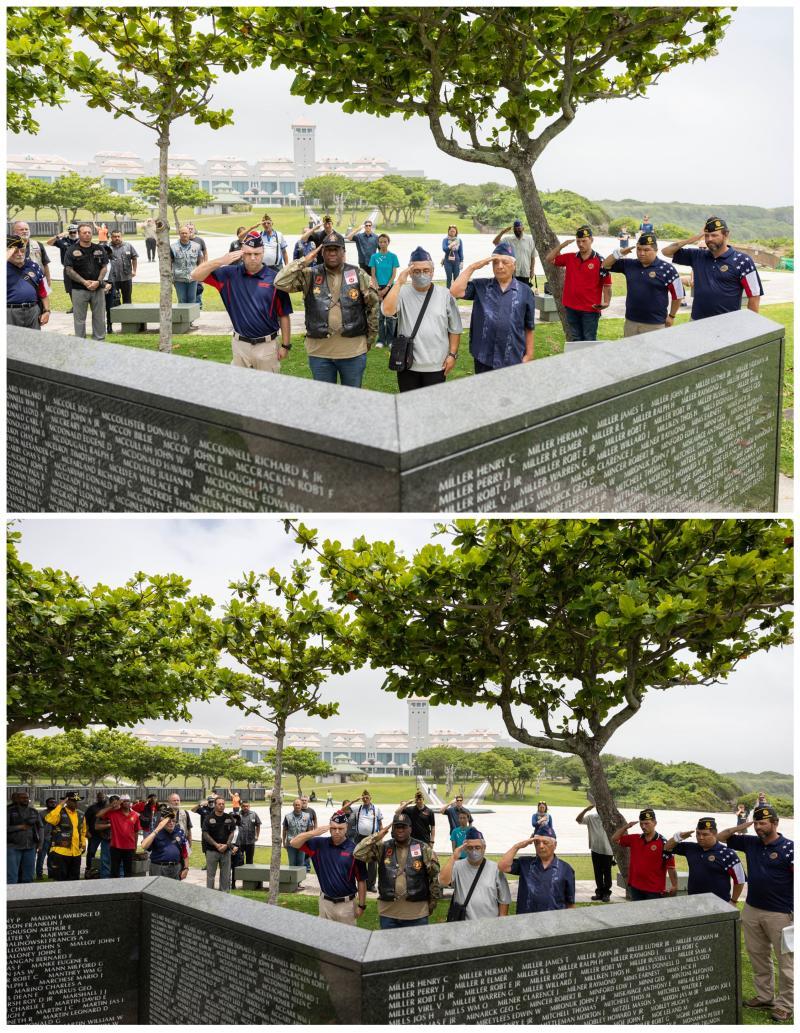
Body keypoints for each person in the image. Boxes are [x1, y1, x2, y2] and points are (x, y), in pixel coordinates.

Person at [273, 232, 379, 388]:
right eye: (328, 249)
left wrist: (369, 339)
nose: (332, 253)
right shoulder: (310, 274)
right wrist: (304, 260)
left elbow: (374, 306)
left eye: (337, 249)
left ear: (343, 252)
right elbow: (279, 282)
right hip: (319, 353)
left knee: (352, 401)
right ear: (321, 252)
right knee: (324, 402)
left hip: (353, 352)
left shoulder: (358, 274)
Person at [718, 805, 794, 1022]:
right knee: (758, 956)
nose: (759, 827)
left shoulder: (789, 848)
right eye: (757, 823)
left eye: (763, 823)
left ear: (775, 823)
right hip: (752, 909)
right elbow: (723, 836)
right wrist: (745, 825)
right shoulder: (750, 842)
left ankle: (785, 1005)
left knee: (786, 963)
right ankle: (765, 996)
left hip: (780, 914)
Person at [192, 231, 293, 373]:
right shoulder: (228, 275)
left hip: (267, 347)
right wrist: (221, 261)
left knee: (268, 391)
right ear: (241, 253)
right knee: (240, 391)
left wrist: (285, 345)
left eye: (257, 254)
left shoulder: (275, 279)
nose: (253, 258)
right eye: (248, 253)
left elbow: (284, 315)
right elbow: (195, 275)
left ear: (263, 253)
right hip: (240, 347)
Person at [382, 247, 463, 391]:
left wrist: (452, 354)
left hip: (437, 364)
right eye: (416, 271)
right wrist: (399, 282)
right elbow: (387, 311)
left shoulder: (445, 295)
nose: (422, 274)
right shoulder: (401, 293)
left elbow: (455, 328)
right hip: (407, 363)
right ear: (410, 273)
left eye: (426, 270)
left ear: (432, 272)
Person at [450, 242, 536, 372]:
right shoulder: (481, 286)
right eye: (495, 262)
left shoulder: (525, 291)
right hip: (483, 357)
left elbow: (529, 326)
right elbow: (454, 291)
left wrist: (529, 355)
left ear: (514, 265)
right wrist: (472, 267)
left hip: (512, 357)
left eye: (505, 262)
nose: (499, 266)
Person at [662, 217, 764, 320]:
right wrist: (691, 239)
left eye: (714, 235)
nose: (709, 239)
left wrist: (751, 324)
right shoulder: (697, 256)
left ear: (726, 235)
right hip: (697, 322)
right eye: (706, 235)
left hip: (728, 324)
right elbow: (666, 252)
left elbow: (754, 296)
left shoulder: (742, 260)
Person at [354, 813, 441, 929]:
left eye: (403, 827)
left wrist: (433, 902)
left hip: (417, 914)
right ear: (392, 829)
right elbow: (357, 853)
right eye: (397, 827)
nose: (400, 830)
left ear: (410, 829)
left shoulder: (423, 848)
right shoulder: (383, 848)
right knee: (389, 947)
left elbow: (435, 876)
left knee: (417, 947)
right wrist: (377, 836)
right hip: (388, 914)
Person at [290, 810, 368, 925]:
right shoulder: (318, 844)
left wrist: (361, 905)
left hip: (346, 906)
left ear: (346, 828)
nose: (337, 831)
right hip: (325, 904)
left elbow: (361, 880)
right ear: (329, 828)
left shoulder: (355, 850)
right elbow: (293, 843)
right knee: (324, 940)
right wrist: (313, 833)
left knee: (346, 940)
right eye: (333, 828)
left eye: (340, 828)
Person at [602, 231, 684, 336]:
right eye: (639, 249)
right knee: (630, 351)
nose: (641, 253)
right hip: (631, 322)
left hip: (655, 324)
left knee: (653, 352)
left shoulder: (667, 269)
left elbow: (678, 295)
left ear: (655, 250)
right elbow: (605, 264)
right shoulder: (630, 264)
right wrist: (620, 253)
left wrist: (672, 316)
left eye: (646, 250)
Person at [544, 226, 612, 342]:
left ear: (591, 240)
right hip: (571, 307)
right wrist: (562, 246)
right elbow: (549, 259)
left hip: (590, 309)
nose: (580, 244)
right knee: (575, 339)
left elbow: (607, 285)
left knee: (589, 340)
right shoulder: (570, 257)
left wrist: (606, 302)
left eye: (584, 241)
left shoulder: (601, 261)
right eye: (578, 241)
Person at [664, 817, 746, 903]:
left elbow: (740, 880)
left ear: (715, 833)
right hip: (694, 902)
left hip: (719, 904)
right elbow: (667, 847)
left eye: (705, 834)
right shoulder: (691, 848)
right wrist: (679, 837)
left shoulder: (727, 853)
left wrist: (733, 901)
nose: (700, 837)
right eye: (698, 834)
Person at [439, 827, 511, 919]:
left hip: (489, 924)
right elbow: (442, 882)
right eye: (470, 848)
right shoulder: (457, 866)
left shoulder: (495, 869)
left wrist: (501, 921)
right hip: (464, 924)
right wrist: (454, 857)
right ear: (465, 849)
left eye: (477, 847)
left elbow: (504, 899)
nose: (474, 851)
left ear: (484, 848)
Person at [499, 830, 576, 913]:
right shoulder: (525, 863)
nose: (541, 846)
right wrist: (517, 846)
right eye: (537, 843)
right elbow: (502, 866)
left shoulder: (565, 868)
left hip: (554, 921)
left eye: (545, 842)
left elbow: (570, 902)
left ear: (555, 845)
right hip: (526, 921)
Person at [611, 808, 678, 900]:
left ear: (654, 823)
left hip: (654, 890)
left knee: (652, 914)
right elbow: (615, 839)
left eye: (646, 823)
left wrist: (674, 885)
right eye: (641, 824)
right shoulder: (635, 838)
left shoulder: (664, 843)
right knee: (638, 913)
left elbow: (671, 867)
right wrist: (626, 827)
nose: (643, 826)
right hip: (636, 887)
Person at [64, 222, 109, 340]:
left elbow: (104, 267)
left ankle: (99, 342)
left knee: (99, 317)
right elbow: (69, 270)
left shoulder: (99, 248)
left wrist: (99, 282)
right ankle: (80, 342)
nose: (87, 234)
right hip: (79, 289)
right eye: (84, 232)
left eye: (89, 232)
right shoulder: (71, 250)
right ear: (79, 234)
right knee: (79, 318)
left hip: (97, 289)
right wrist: (84, 282)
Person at [7, 236, 50, 330]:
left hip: (33, 311)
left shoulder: (34, 266)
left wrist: (47, 311)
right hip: (10, 312)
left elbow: (44, 291)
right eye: (15, 251)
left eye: (22, 250)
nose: (19, 254)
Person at [575, 801, 614, 902]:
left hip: (608, 850)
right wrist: (586, 810)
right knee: (597, 873)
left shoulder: (611, 819)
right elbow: (578, 820)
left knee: (607, 873)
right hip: (595, 849)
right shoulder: (591, 817)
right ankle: (599, 893)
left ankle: (606, 893)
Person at [96, 795, 141, 878]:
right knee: (114, 871)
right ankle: (115, 889)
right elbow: (98, 815)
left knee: (128, 872)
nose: (126, 803)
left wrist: (135, 847)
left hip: (129, 847)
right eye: (124, 801)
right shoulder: (113, 813)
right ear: (120, 802)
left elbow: (136, 832)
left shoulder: (135, 815)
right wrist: (112, 805)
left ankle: (127, 889)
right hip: (116, 847)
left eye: (128, 801)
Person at [45, 793, 87, 882]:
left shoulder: (81, 814)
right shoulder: (59, 812)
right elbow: (49, 819)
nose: (76, 803)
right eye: (73, 801)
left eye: (77, 801)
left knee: (74, 879)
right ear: (67, 801)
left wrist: (83, 843)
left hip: (76, 853)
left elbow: (82, 831)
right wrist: (60, 805)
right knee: (60, 879)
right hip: (60, 852)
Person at [368, 233, 400, 347]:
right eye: (380, 242)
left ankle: (390, 340)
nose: (382, 243)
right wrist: (378, 290)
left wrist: (386, 288)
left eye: (384, 241)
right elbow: (373, 275)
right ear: (378, 243)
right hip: (378, 288)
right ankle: (381, 340)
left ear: (388, 242)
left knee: (390, 315)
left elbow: (393, 275)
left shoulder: (393, 257)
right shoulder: (374, 257)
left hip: (390, 288)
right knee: (380, 316)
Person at [350, 790, 384, 892]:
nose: (365, 799)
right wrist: (355, 800)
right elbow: (346, 808)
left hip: (372, 838)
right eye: (363, 798)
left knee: (372, 861)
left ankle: (371, 885)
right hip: (359, 837)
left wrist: (381, 837)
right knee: (358, 860)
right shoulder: (358, 808)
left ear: (370, 798)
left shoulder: (376, 809)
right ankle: (360, 883)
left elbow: (381, 824)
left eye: (367, 797)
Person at [202, 796, 238, 892]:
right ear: (215, 805)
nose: (221, 806)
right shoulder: (208, 818)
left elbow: (232, 832)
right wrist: (216, 845)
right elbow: (205, 833)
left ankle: (224, 894)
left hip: (226, 851)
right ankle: (210, 894)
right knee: (210, 875)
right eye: (219, 804)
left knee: (225, 875)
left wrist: (227, 845)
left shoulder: (229, 817)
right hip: (212, 850)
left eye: (223, 804)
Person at [141, 810, 190, 880]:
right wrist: (157, 829)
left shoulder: (179, 832)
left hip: (176, 868)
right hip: (158, 868)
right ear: (162, 822)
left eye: (173, 821)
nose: (171, 823)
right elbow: (144, 845)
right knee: (158, 890)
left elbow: (185, 852)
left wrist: (186, 868)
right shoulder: (156, 833)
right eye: (168, 821)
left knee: (174, 890)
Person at [8, 790, 43, 885]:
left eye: (27, 798)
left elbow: (41, 828)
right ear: (17, 799)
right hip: (12, 847)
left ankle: (28, 897)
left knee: (28, 876)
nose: (25, 800)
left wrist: (40, 844)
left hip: (30, 847)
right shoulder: (9, 811)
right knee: (12, 876)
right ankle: (11, 898)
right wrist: (19, 827)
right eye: (23, 798)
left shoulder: (33, 811)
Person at [105, 230, 138, 331]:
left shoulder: (128, 246)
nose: (117, 238)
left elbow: (134, 258)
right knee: (111, 302)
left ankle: (128, 322)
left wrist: (134, 270)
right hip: (112, 279)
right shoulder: (107, 247)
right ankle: (110, 325)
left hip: (126, 277)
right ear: (111, 237)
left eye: (118, 236)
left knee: (127, 300)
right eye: (114, 236)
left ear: (121, 236)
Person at [46, 224, 80, 312]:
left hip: (81, 267)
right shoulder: (63, 241)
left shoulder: (82, 240)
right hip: (68, 267)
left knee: (81, 287)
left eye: (75, 232)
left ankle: (81, 306)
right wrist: (58, 236)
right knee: (70, 287)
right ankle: (75, 306)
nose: (73, 234)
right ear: (68, 232)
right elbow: (49, 243)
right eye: (71, 232)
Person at [493, 219, 536, 285]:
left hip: (525, 272)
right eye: (515, 229)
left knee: (524, 293)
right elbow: (495, 242)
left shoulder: (529, 240)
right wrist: (502, 232)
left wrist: (532, 270)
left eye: (519, 228)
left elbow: (532, 257)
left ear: (523, 228)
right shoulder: (508, 240)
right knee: (512, 293)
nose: (517, 230)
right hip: (512, 273)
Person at [11, 220, 51, 288]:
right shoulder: (8, 246)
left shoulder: (38, 244)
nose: (25, 231)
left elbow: (45, 264)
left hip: (39, 281)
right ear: (14, 232)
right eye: (21, 229)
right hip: (17, 282)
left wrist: (48, 280)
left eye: (26, 229)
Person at [170, 225, 203, 305]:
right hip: (179, 279)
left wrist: (200, 275)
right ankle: (183, 318)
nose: (184, 235)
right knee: (182, 301)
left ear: (189, 234)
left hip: (193, 279)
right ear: (179, 234)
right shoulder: (173, 247)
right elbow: (170, 263)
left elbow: (200, 261)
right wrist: (171, 277)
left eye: (186, 233)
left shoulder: (196, 246)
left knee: (192, 300)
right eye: (182, 233)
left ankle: (191, 318)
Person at [283, 798, 315, 873]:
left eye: (299, 805)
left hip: (302, 843)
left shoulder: (307, 816)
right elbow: (284, 830)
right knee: (292, 863)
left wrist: (309, 841)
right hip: (291, 843)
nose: (297, 806)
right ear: (293, 805)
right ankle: (292, 882)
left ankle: (299, 882)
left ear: (301, 806)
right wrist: (284, 842)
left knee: (301, 863)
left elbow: (310, 829)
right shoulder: (288, 816)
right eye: (296, 805)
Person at [83, 790, 109, 877]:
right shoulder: (92, 808)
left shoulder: (108, 807)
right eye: (99, 797)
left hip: (106, 835)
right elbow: (85, 820)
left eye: (102, 797)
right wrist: (87, 832)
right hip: (94, 835)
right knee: (91, 852)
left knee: (106, 853)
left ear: (105, 797)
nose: (101, 798)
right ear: (97, 798)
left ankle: (105, 870)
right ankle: (89, 869)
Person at [36, 797, 58, 880]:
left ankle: (51, 874)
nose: (53, 804)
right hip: (45, 839)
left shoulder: (58, 813)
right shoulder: (42, 814)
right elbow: (39, 827)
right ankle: (39, 875)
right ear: (47, 804)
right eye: (51, 802)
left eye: (54, 802)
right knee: (41, 858)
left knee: (52, 858)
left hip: (55, 839)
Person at [236, 800, 261, 865]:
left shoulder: (253, 814)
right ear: (241, 807)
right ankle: (240, 875)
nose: (245, 807)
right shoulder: (237, 815)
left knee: (249, 861)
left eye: (247, 806)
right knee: (239, 860)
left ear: (249, 806)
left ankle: (248, 874)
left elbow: (258, 825)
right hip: (240, 841)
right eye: (244, 806)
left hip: (250, 841)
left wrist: (257, 836)